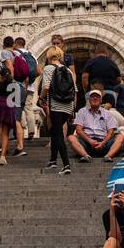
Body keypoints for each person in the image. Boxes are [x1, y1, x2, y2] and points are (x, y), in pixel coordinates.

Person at [41, 44, 76, 174]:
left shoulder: (48, 68)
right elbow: (74, 91)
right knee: (55, 132)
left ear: (49, 56)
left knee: (58, 135)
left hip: (55, 105)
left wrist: (41, 97)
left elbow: (46, 87)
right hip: (67, 107)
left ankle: (66, 164)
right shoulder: (68, 71)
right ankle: (53, 160)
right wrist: (73, 110)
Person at [69, 90, 124, 162]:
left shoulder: (107, 113)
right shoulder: (82, 111)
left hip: (104, 143)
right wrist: (90, 141)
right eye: (92, 97)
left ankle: (108, 156)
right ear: (89, 100)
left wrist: (103, 142)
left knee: (121, 137)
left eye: (97, 97)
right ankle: (85, 156)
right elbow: (79, 130)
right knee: (71, 137)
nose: (95, 98)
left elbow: (111, 132)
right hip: (87, 142)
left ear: (101, 100)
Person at [82, 43, 124, 111]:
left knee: (89, 113)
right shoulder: (112, 63)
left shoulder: (91, 62)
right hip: (110, 94)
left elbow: (84, 77)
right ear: (106, 52)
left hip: (93, 93)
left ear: (96, 52)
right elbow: (118, 80)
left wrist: (87, 90)